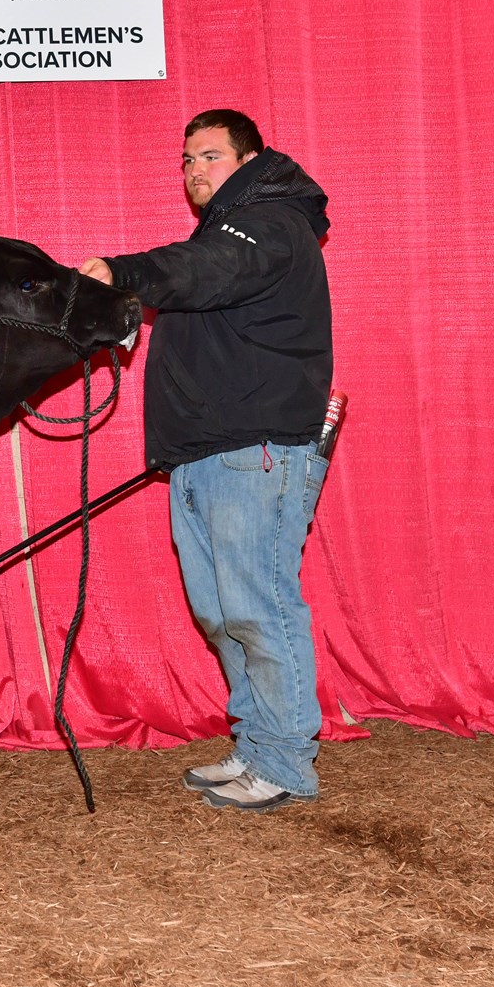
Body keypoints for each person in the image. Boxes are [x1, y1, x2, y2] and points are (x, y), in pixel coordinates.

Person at [79, 109, 333, 812]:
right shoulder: (227, 232)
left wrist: (123, 271)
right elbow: (204, 278)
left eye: (211, 156)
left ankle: (285, 762)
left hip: (255, 450)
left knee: (259, 605)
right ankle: (260, 745)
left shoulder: (268, 222)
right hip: (207, 453)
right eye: (187, 160)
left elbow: (206, 269)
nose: (195, 171)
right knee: (223, 612)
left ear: (250, 159)